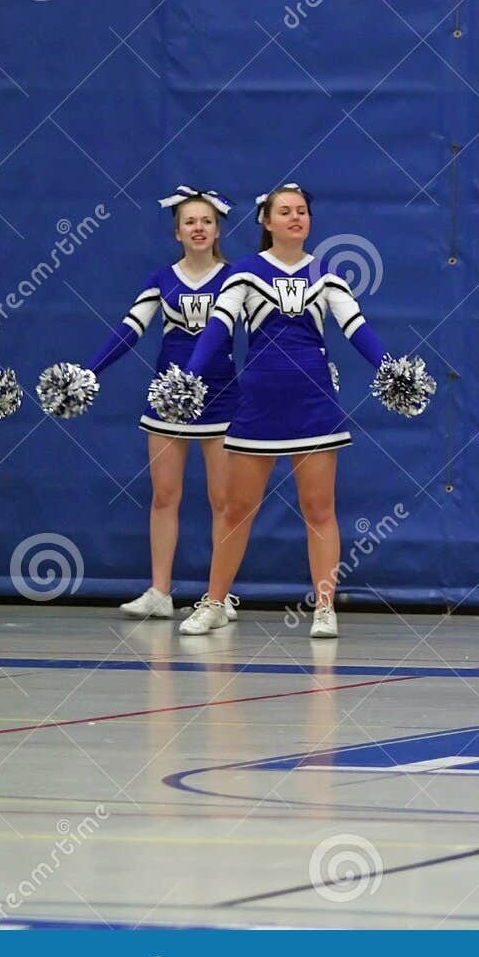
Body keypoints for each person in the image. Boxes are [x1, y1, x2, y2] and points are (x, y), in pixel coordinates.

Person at [171, 184, 411, 639]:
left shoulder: (326, 275)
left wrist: (389, 369)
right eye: (285, 211)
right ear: (266, 221)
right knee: (237, 509)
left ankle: (324, 607)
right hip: (258, 405)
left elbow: (357, 328)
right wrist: (191, 375)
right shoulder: (242, 274)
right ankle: (216, 602)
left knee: (319, 508)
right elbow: (217, 332)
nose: (296, 218)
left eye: (302, 211)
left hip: (313, 404)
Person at [64, 186, 240, 620]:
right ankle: (160, 592)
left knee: (224, 500)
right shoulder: (161, 280)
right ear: (177, 232)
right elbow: (129, 330)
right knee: (165, 496)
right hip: (167, 401)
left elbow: (271, 332)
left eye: (206, 221)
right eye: (189, 222)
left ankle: (218, 597)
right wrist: (91, 371)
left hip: (221, 399)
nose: (198, 228)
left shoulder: (237, 279)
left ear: (217, 229)